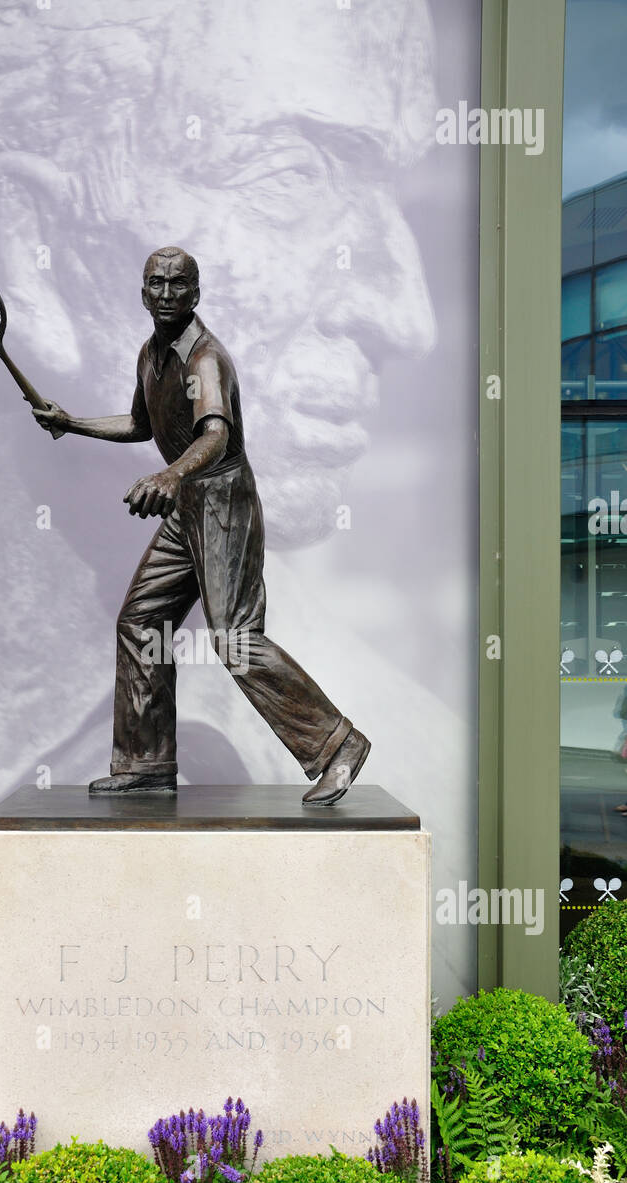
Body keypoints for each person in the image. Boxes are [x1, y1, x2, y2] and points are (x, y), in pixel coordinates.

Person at [34, 246, 370, 804]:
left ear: (197, 293)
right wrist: (72, 423)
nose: (165, 295)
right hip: (188, 506)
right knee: (142, 619)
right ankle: (145, 762)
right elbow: (140, 424)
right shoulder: (151, 353)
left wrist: (170, 475)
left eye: (177, 285)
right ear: (142, 292)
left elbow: (214, 435)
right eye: (155, 284)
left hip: (223, 506)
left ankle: (338, 745)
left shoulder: (205, 360)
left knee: (235, 640)